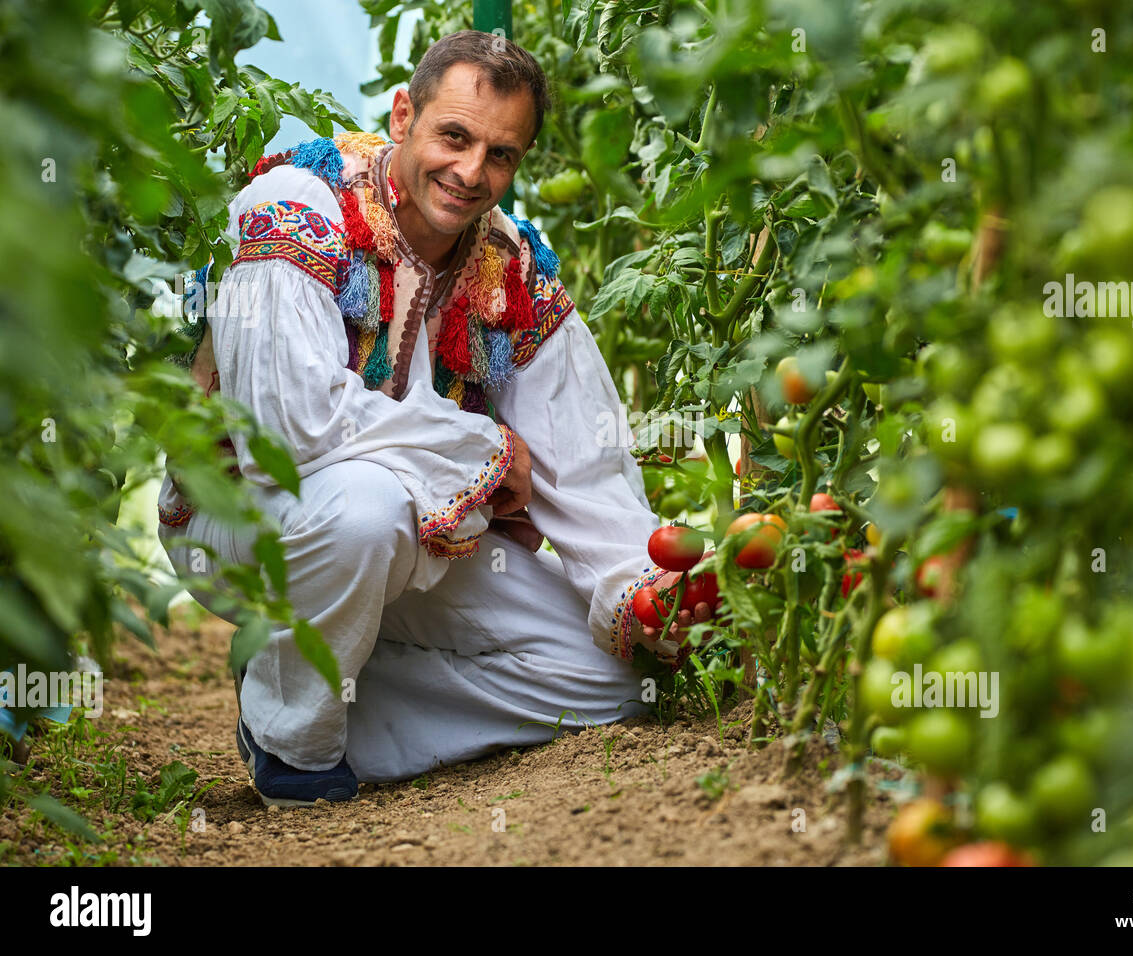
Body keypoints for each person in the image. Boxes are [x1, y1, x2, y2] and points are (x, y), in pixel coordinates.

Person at [155, 30, 714, 806]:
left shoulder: (511, 266)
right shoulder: (295, 206)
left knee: (609, 683)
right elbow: (292, 430)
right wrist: (486, 448)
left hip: (424, 534)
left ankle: (328, 691)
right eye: (454, 136)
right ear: (401, 116)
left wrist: (640, 586)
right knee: (365, 506)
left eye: (500, 154)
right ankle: (296, 747)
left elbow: (580, 458)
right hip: (247, 519)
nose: (471, 172)